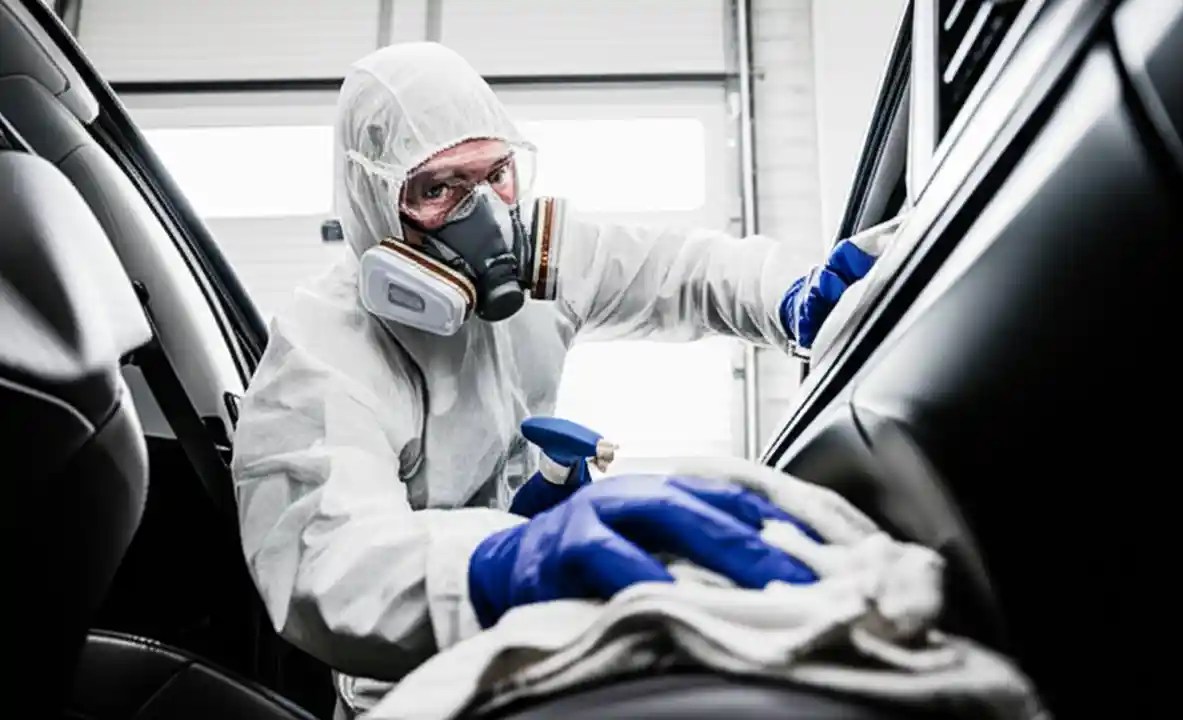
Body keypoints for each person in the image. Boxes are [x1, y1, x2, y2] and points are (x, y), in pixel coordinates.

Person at [231, 42, 886, 698]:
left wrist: (790, 294)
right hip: (411, 683)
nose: (485, 214)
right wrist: (502, 562)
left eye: (496, 174)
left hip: (544, 639)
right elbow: (326, 559)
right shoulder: (323, 347)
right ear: (376, 201)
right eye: (439, 189)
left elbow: (679, 271)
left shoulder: (540, 264)